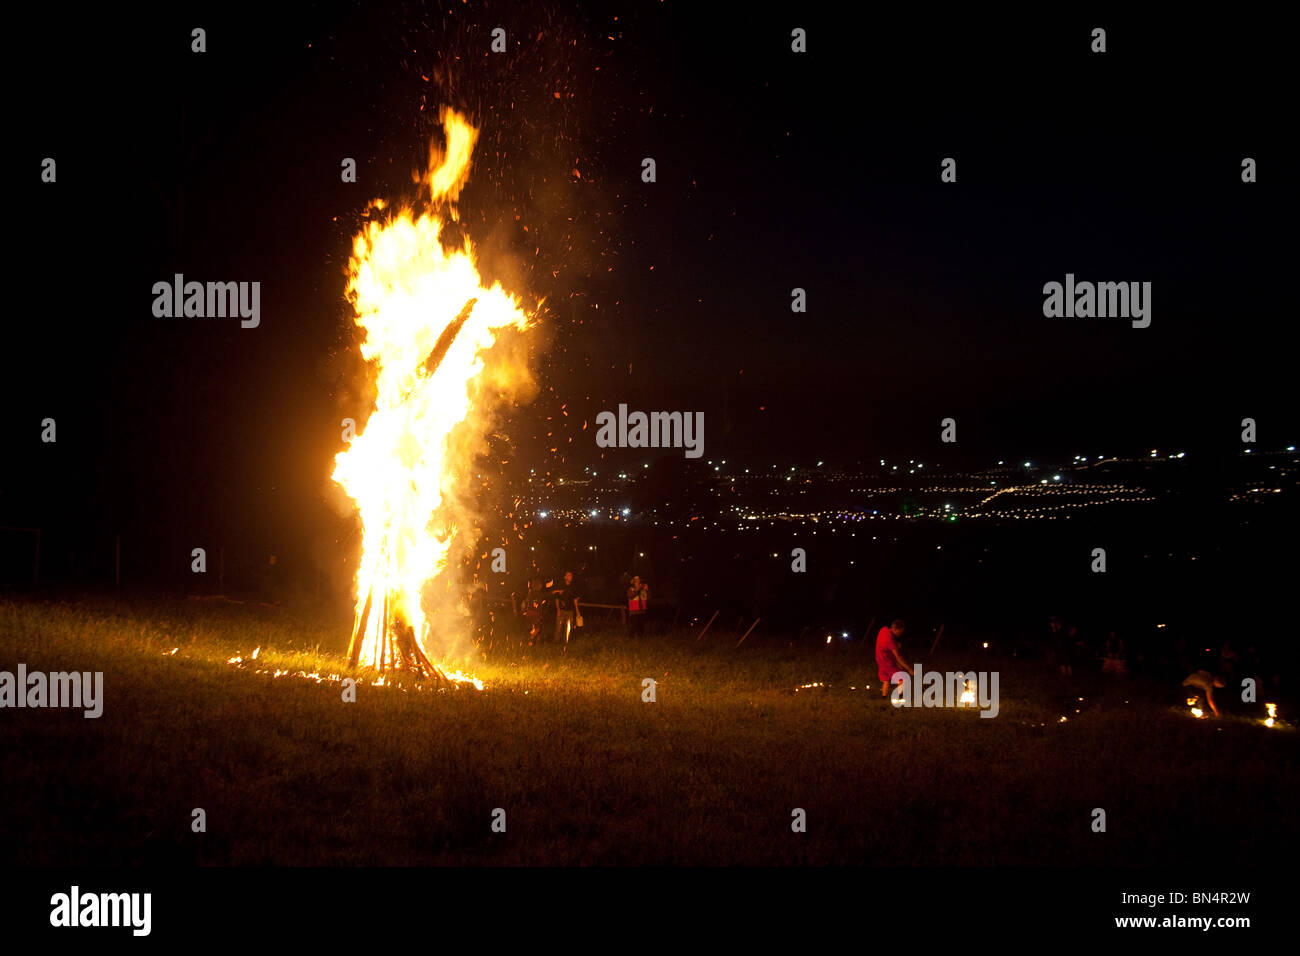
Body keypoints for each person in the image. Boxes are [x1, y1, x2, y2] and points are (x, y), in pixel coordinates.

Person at [875, 620, 910, 698]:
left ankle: (884, 697)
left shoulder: (883, 630)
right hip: (888, 663)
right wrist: (909, 669)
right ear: (895, 629)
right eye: (900, 632)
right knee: (903, 677)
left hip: (880, 661)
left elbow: (887, 647)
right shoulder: (890, 641)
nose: (901, 634)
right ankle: (900, 695)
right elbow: (898, 657)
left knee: (886, 680)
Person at [552, 571, 581, 646]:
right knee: (558, 627)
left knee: (568, 627)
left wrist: (577, 611)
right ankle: (556, 642)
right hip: (561, 610)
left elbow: (575, 600)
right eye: (569, 575)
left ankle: (566, 642)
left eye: (571, 575)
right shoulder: (560, 586)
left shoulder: (573, 587)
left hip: (570, 611)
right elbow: (557, 599)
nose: (570, 577)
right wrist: (558, 610)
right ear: (565, 577)